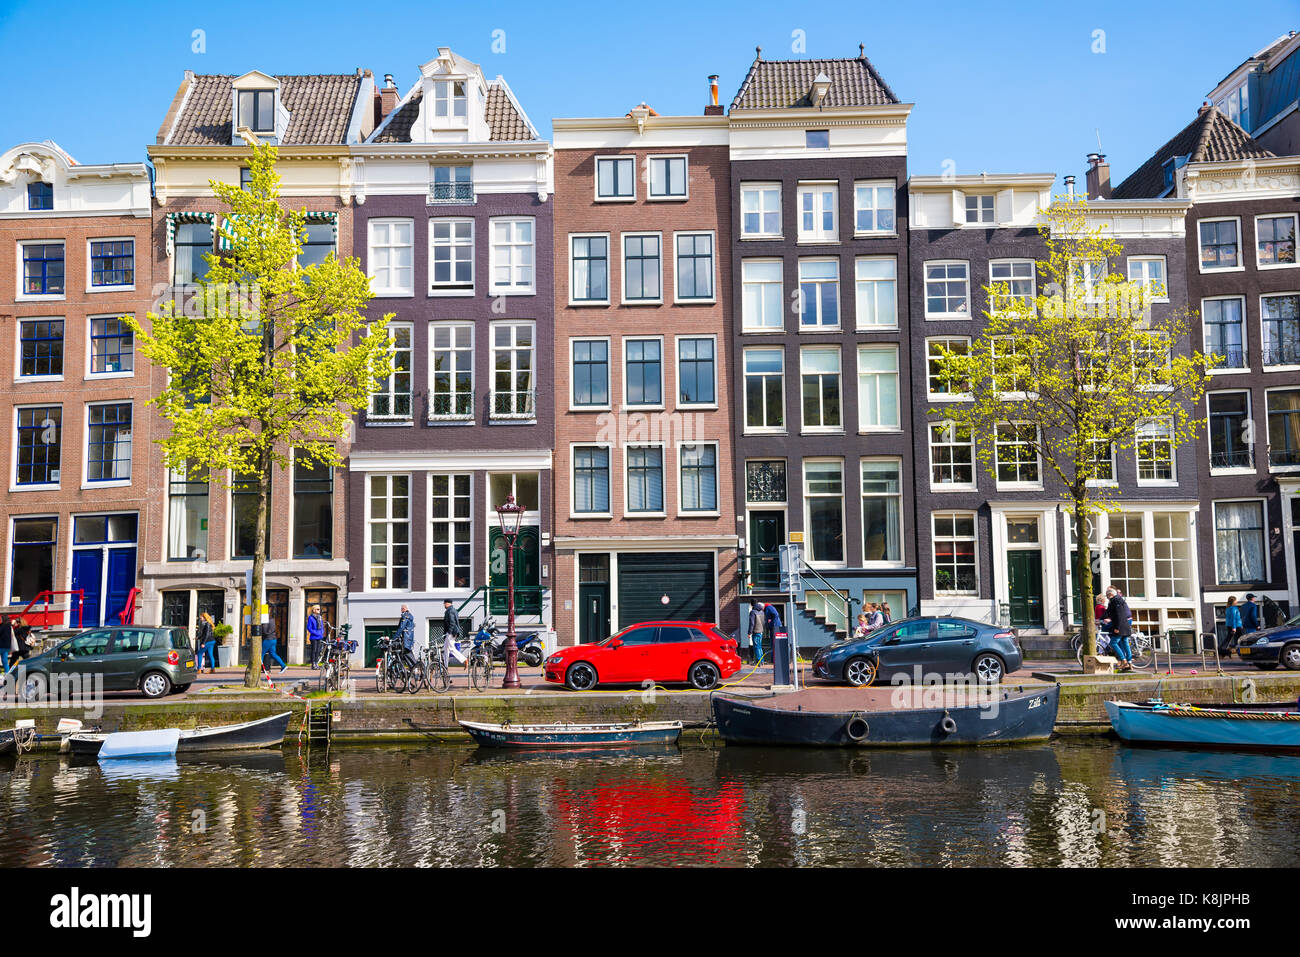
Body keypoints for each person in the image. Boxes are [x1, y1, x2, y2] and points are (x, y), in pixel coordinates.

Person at [1102, 587, 1133, 672]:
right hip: (1124, 625)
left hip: (1120, 626)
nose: (1107, 597)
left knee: (1113, 642)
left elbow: (1119, 615)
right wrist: (1100, 619)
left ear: (1111, 594)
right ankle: (1129, 662)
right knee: (1125, 642)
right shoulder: (1116, 600)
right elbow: (1108, 612)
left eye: (1107, 595)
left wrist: (1117, 628)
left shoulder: (1116, 601)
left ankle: (1123, 660)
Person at [441, 600, 462, 671]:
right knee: (445, 649)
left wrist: (449, 632)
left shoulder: (450, 611)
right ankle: (445, 666)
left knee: (451, 648)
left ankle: (464, 659)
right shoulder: (452, 610)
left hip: (451, 632)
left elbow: (452, 623)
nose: (444, 605)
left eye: (444, 604)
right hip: (452, 632)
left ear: (447, 603)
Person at [394, 604, 416, 671]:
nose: (401, 610)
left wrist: (394, 638)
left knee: (406, 652)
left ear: (404, 608)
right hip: (409, 638)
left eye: (401, 608)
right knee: (405, 653)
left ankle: (415, 665)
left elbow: (401, 627)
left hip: (406, 637)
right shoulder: (409, 615)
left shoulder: (405, 616)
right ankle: (412, 667)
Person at [306, 604, 326, 669]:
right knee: (314, 650)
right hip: (314, 637)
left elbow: (322, 627)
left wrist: (322, 632)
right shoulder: (310, 617)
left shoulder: (320, 617)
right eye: (317, 609)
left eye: (319, 609)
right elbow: (309, 628)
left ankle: (316, 663)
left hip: (320, 636)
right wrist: (316, 633)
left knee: (318, 651)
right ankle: (313, 664)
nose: (319, 610)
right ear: (314, 610)